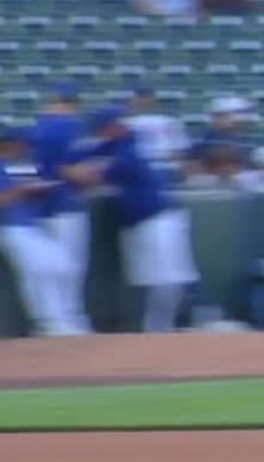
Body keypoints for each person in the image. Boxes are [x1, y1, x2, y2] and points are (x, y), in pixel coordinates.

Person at [65, 106, 199, 333]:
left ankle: (162, 329)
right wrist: (71, 162)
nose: (102, 133)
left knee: (169, 279)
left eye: (105, 128)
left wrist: (66, 171)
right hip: (143, 222)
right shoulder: (121, 142)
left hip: (157, 219)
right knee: (159, 279)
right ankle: (159, 329)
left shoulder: (130, 150)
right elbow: (87, 153)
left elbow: (93, 177)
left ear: (116, 126)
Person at [0, 129, 77, 337]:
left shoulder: (24, 167)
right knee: (38, 270)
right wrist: (21, 190)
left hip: (31, 227)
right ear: (6, 144)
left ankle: (61, 319)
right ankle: (46, 323)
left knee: (63, 264)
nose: (25, 148)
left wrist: (37, 191)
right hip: (8, 229)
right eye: (21, 144)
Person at [31, 84, 93, 335]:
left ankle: (56, 319)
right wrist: (89, 176)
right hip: (65, 203)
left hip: (43, 206)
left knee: (54, 266)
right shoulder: (65, 125)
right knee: (71, 266)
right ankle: (68, 318)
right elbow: (66, 168)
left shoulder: (37, 127)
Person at [123, 87, 189, 183]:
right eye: (140, 98)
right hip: (135, 168)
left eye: (146, 98)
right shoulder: (125, 124)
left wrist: (177, 165)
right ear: (133, 101)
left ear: (154, 100)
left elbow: (179, 151)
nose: (143, 102)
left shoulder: (170, 121)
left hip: (166, 167)